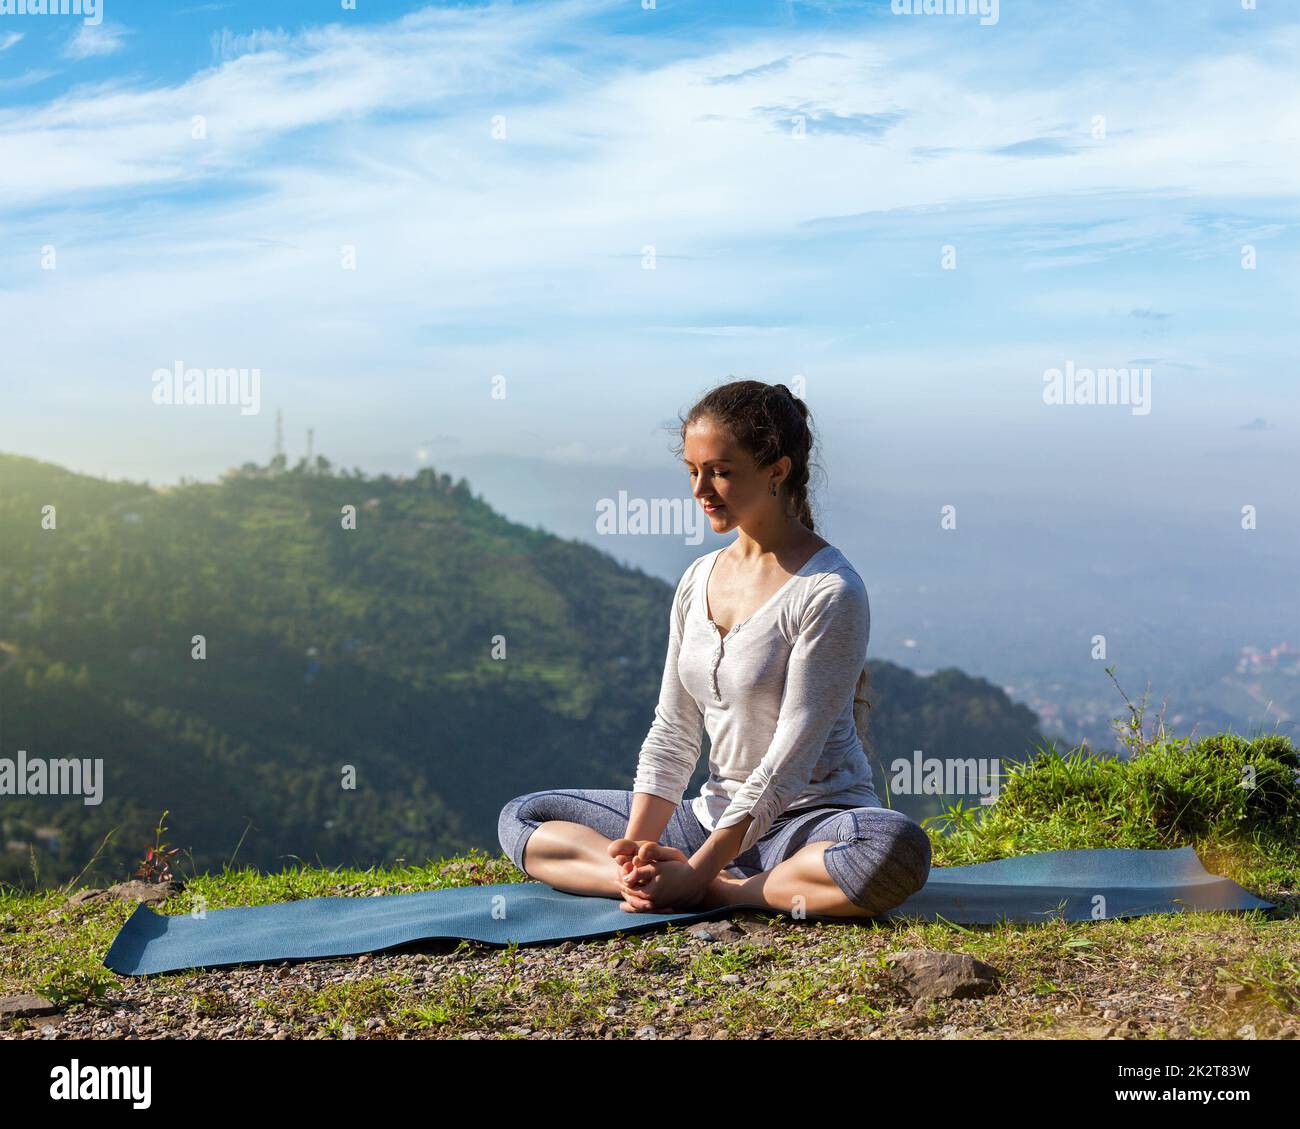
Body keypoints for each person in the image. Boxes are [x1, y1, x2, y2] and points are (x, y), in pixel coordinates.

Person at [497, 380, 931, 918]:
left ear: (777, 471)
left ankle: (725, 891)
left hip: (805, 824)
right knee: (525, 816)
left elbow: (786, 767)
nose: (701, 489)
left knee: (893, 849)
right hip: (708, 818)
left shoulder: (829, 591)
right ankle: (639, 882)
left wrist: (701, 874)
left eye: (721, 472)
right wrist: (637, 852)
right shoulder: (697, 578)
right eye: (693, 471)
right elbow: (674, 731)